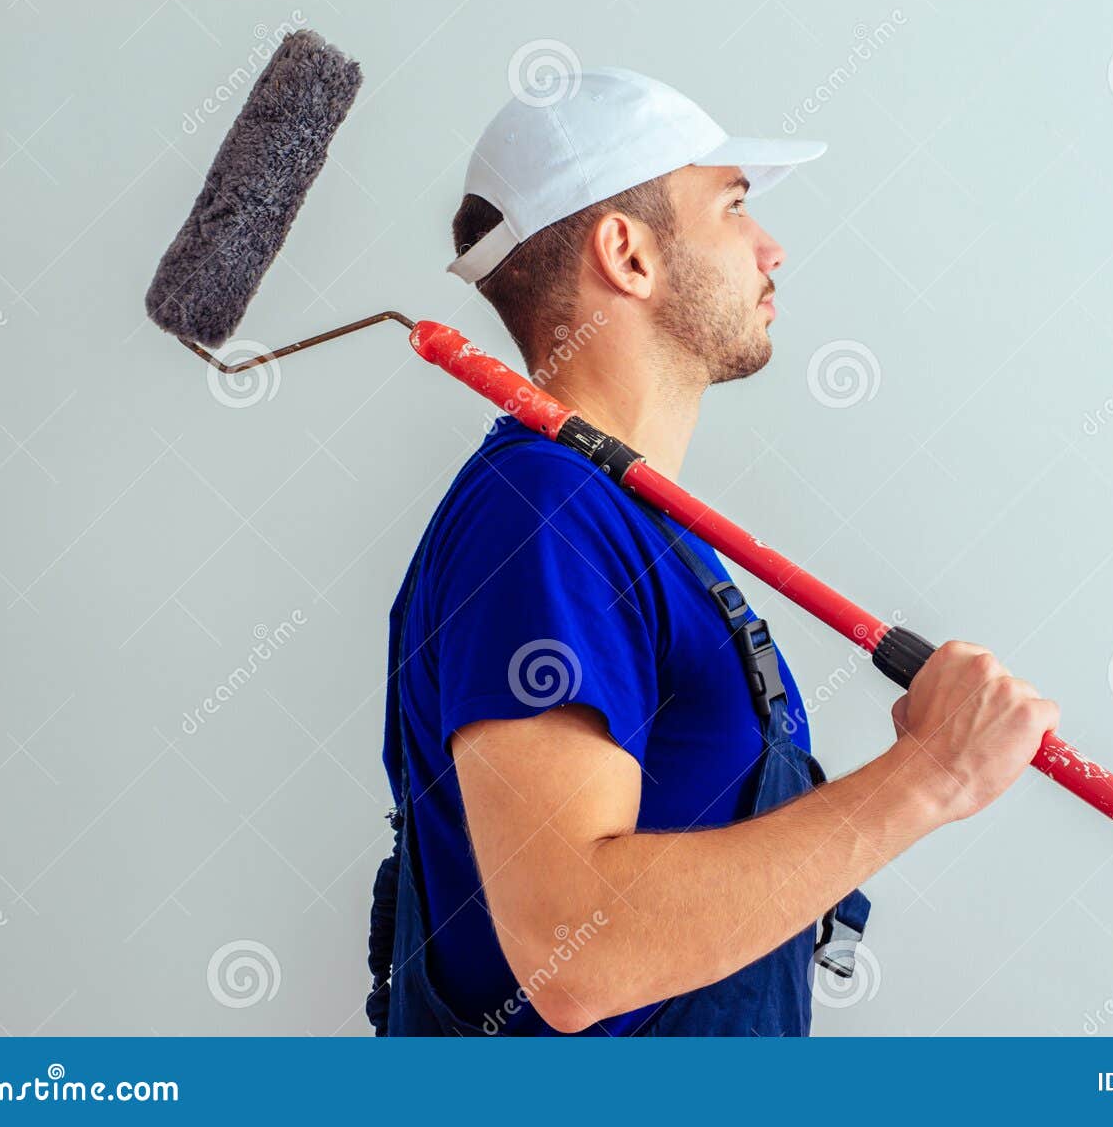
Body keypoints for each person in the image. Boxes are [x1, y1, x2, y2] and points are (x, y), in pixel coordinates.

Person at [368, 67, 1058, 1037]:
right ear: (628, 253)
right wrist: (931, 774)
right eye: (732, 208)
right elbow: (577, 950)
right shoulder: (543, 512)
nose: (771, 248)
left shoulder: (631, 526)